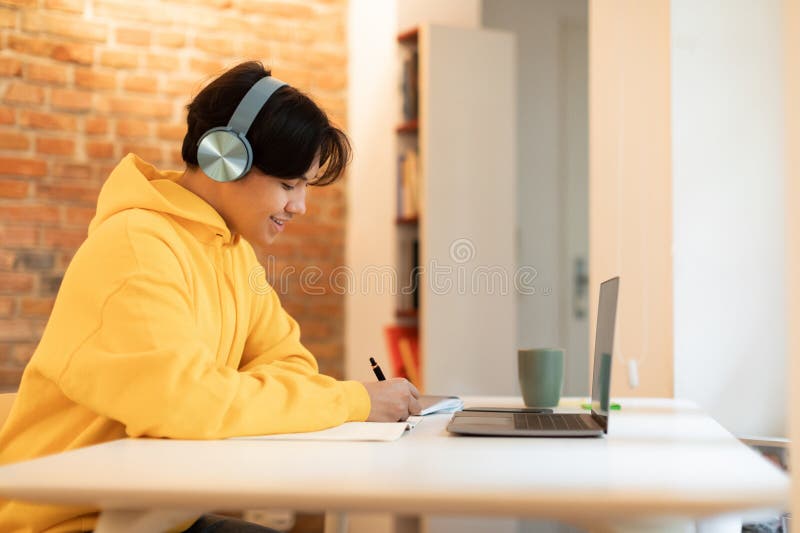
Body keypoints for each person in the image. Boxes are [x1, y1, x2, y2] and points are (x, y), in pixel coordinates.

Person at [0, 61, 421, 532]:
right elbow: (188, 405)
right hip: (68, 522)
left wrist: (233, 398)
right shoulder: (136, 248)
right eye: (288, 185)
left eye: (304, 187)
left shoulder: (233, 251)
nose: (299, 206)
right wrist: (352, 402)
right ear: (226, 157)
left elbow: (289, 364)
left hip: (157, 517)